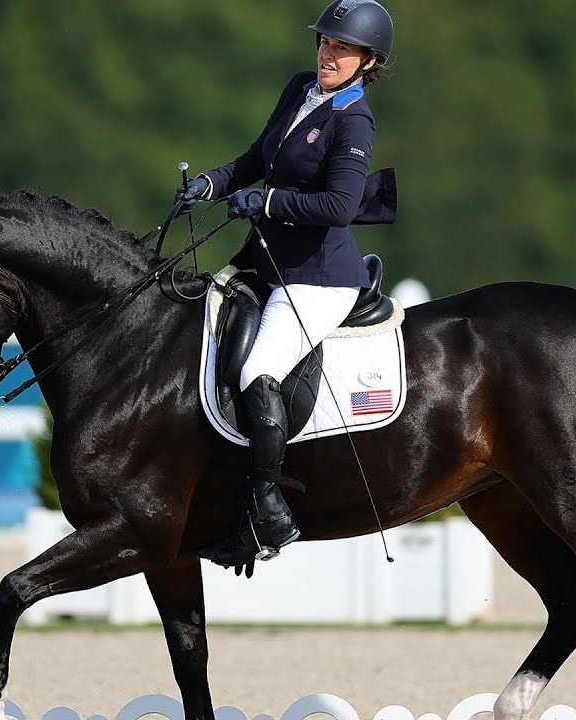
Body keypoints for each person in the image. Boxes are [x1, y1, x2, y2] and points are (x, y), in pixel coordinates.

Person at [178, 0, 396, 567]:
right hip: (265, 261)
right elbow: (257, 158)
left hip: (317, 279)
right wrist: (211, 183)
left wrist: (270, 201)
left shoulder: (355, 119)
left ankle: (269, 509)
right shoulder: (302, 88)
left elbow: (340, 205)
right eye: (326, 42)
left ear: (368, 61)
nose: (329, 53)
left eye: (343, 48)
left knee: (257, 370)